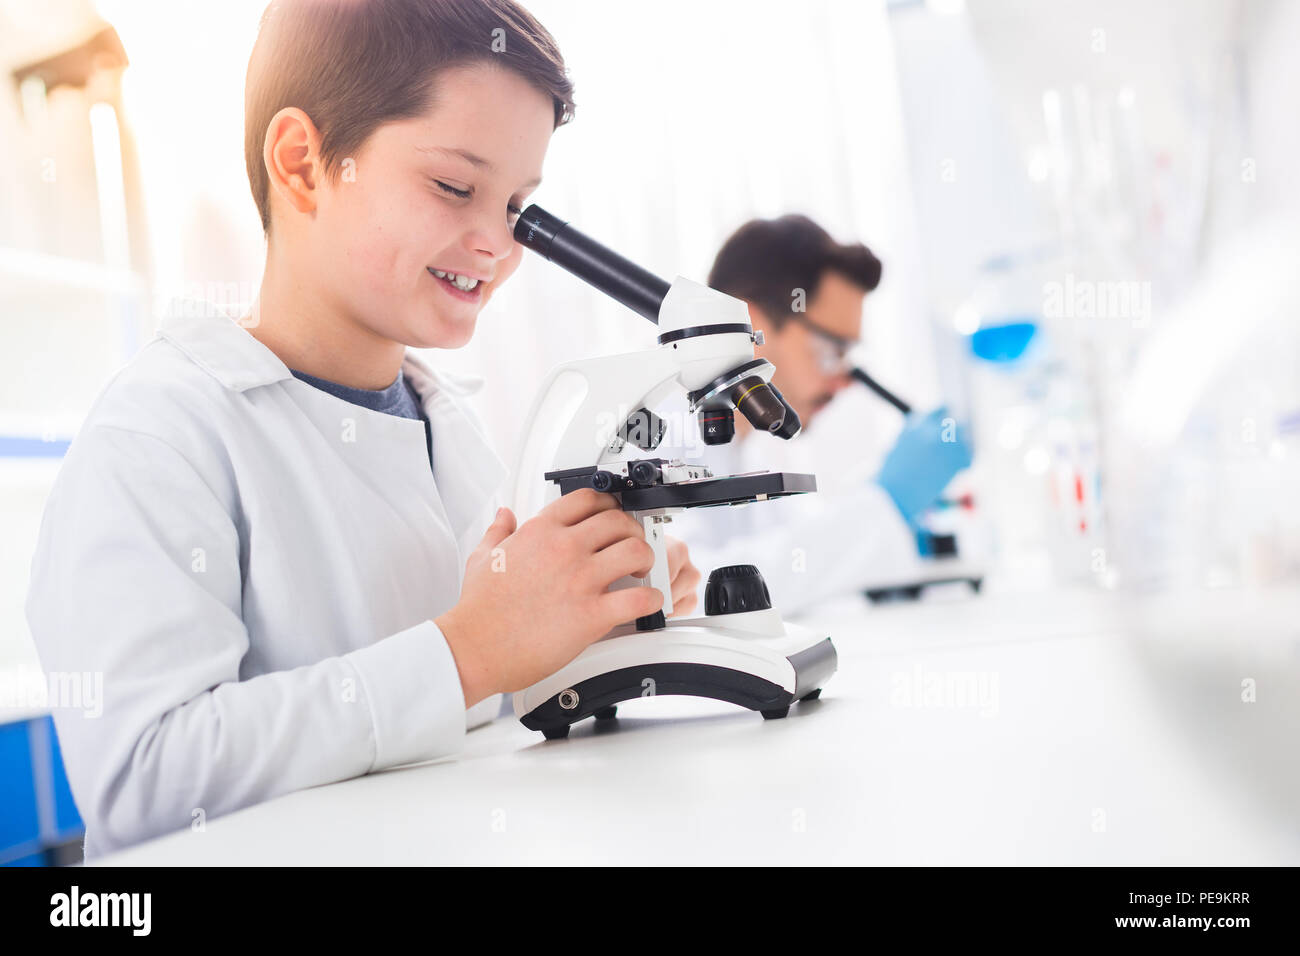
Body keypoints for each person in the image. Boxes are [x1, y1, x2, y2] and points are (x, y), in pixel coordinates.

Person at [25, 0, 699, 859]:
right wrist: (471, 650)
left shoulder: (448, 427)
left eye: (521, 207)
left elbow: (461, 719)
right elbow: (149, 782)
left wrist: (569, 640)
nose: (497, 242)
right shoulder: (159, 435)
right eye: (455, 186)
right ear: (303, 162)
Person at [674, 214, 971, 614]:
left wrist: (894, 519)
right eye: (831, 350)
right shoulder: (652, 436)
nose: (843, 383)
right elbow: (686, 597)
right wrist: (886, 504)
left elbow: (799, 572)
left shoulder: (759, 451)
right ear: (748, 325)